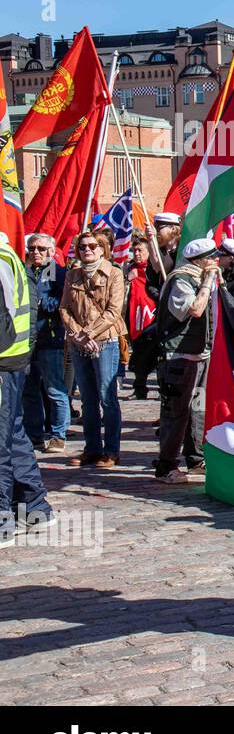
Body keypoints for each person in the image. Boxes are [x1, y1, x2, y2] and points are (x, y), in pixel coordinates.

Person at [0, 228, 57, 550]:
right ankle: (34, 507)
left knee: (2, 439)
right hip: (14, 361)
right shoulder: (10, 257)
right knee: (14, 434)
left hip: (5, 361)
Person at [151, 238, 225, 483]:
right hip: (178, 356)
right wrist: (206, 282)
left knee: (198, 409)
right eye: (212, 257)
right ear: (200, 260)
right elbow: (194, 309)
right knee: (176, 411)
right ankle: (166, 465)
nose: (217, 261)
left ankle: (195, 458)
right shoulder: (181, 279)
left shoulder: (206, 279)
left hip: (201, 353)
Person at [59, 231, 125, 468]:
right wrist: (77, 334)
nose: (87, 249)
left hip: (105, 341)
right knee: (87, 398)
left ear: (102, 249)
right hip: (79, 343)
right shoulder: (72, 275)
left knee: (108, 398)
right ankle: (92, 448)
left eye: (92, 246)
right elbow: (64, 308)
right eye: (82, 246)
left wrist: (89, 333)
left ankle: (111, 451)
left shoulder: (114, 274)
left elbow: (113, 310)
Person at [22, 233, 70, 451]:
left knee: (55, 389)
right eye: (32, 248)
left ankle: (58, 434)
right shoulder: (24, 272)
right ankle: (34, 434)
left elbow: (63, 302)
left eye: (41, 249)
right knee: (29, 390)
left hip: (50, 338)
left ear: (51, 251)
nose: (36, 253)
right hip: (26, 340)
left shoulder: (58, 273)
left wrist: (39, 303)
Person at [123, 237, 159, 401]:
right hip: (133, 316)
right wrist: (127, 279)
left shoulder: (155, 270)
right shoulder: (129, 269)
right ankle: (139, 388)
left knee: (153, 354)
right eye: (134, 250)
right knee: (137, 353)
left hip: (151, 317)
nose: (136, 254)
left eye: (140, 250)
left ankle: (161, 390)